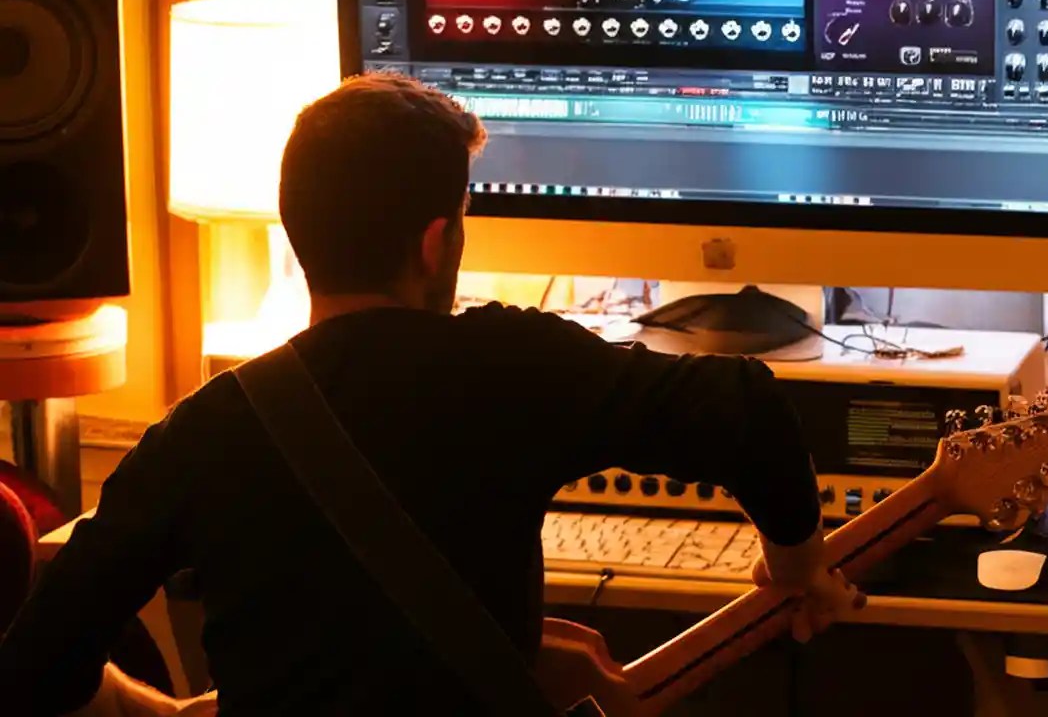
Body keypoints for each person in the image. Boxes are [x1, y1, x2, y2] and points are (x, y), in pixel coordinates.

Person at [0, 73, 859, 716]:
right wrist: (798, 566)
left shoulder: (203, 429)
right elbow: (749, 411)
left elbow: (39, 666)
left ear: (299, 232)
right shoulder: (514, 363)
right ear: (437, 241)